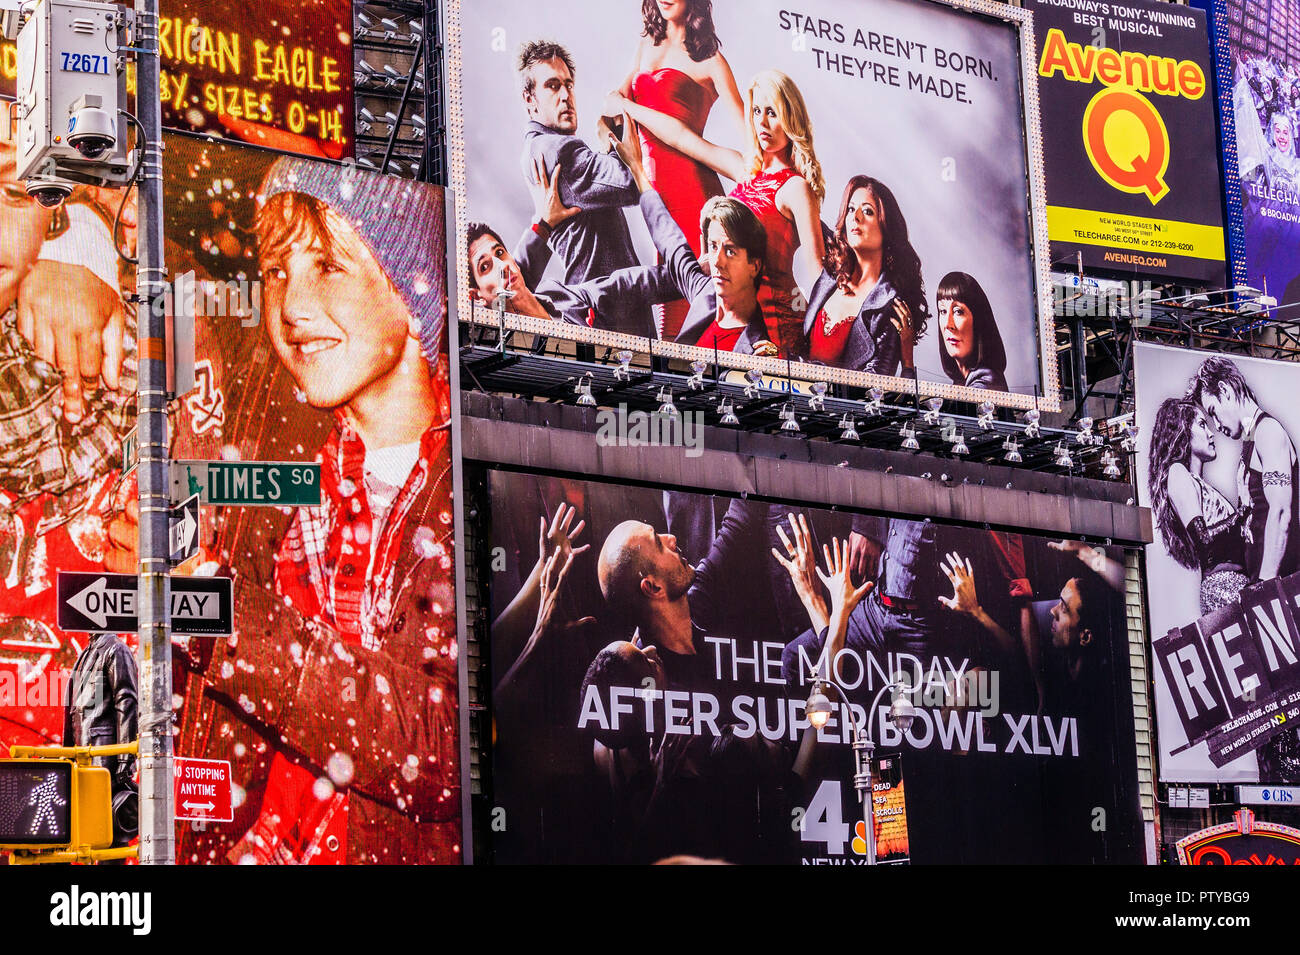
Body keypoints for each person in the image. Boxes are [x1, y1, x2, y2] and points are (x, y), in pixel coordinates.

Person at [162, 156, 461, 865]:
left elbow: (443, 748)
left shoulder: (474, 480)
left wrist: (218, 617)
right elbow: (165, 276)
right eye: (274, 272)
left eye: (326, 265)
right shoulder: (277, 465)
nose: (291, 305)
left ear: (413, 285)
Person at [607, 69, 825, 357]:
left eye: (772, 112)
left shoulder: (796, 187)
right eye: (757, 110)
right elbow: (681, 137)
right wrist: (629, 108)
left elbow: (818, 272)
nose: (761, 121)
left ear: (790, 116)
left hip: (775, 327)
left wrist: (824, 353)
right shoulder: (744, 170)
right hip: (733, 314)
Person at [617, 0, 743, 339]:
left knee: (688, 315)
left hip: (693, 196)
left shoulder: (712, 62)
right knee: (666, 316)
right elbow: (613, 106)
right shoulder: (646, 44)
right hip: (654, 194)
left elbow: (753, 139)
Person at [516, 40, 655, 338]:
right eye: (553, 86)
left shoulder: (542, 147)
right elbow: (632, 180)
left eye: (569, 84)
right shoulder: (556, 150)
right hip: (609, 319)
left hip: (609, 312)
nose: (566, 95)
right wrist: (611, 134)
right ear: (530, 99)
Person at [801, 175, 928, 374]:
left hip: (844, 405)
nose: (855, 217)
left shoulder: (890, 305)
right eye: (851, 209)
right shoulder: (829, 280)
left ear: (887, 228)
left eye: (868, 211)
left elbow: (874, 384)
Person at [1191, 355, 1300, 583]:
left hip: (1280, 586)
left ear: (1225, 390)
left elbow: (1280, 512)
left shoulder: (1268, 431)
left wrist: (1266, 583)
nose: (1217, 426)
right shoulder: (1249, 445)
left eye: (1213, 412)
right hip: (1262, 584)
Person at [1147, 398, 1249, 614]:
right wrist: (1242, 511)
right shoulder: (1177, 473)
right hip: (1224, 588)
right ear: (1183, 431)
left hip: (1235, 584)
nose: (1212, 434)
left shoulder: (1199, 484)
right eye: (1202, 424)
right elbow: (1203, 539)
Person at [63, 631, 138, 850]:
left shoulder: (116, 649)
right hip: (84, 755)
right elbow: (74, 712)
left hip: (104, 756)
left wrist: (125, 758)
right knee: (89, 831)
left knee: (109, 828)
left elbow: (127, 701)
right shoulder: (86, 653)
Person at [935, 271, 1008, 392]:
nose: (948, 324)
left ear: (979, 320)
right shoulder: (962, 381)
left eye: (958, 311)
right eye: (943, 311)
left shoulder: (985, 384)